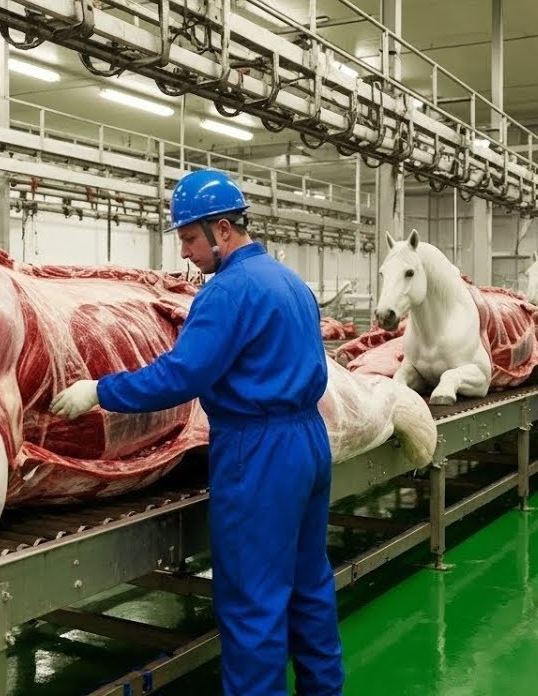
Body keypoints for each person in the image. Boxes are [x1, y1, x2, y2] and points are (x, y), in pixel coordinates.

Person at [50, 168, 344, 696]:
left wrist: (101, 391)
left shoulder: (228, 292)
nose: (185, 251)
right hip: (307, 442)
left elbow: (182, 375)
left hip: (258, 453)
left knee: (253, 601)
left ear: (223, 230)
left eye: (189, 237)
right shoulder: (291, 283)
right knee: (309, 587)